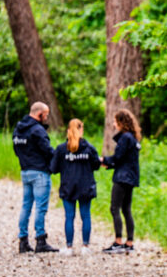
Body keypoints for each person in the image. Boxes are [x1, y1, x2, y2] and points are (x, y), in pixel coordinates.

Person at [12, 101, 59, 253]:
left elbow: (16, 149)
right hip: (39, 173)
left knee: (26, 206)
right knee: (40, 207)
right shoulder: (38, 130)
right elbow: (48, 151)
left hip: (25, 171)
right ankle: (40, 240)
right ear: (39, 114)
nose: (47, 117)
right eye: (46, 115)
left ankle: (23, 241)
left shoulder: (18, 129)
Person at [50, 119, 100, 256]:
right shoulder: (89, 148)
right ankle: (85, 246)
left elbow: (53, 169)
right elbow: (96, 165)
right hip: (85, 186)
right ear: (81, 130)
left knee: (69, 217)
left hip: (68, 186)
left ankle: (69, 247)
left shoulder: (61, 149)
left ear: (68, 130)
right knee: (86, 216)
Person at [100, 108, 141, 254]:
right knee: (126, 209)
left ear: (121, 122)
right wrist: (110, 163)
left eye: (115, 121)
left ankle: (118, 242)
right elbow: (125, 159)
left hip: (122, 178)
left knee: (114, 208)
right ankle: (129, 242)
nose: (113, 124)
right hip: (131, 178)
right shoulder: (133, 138)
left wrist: (103, 160)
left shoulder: (125, 138)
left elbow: (118, 158)